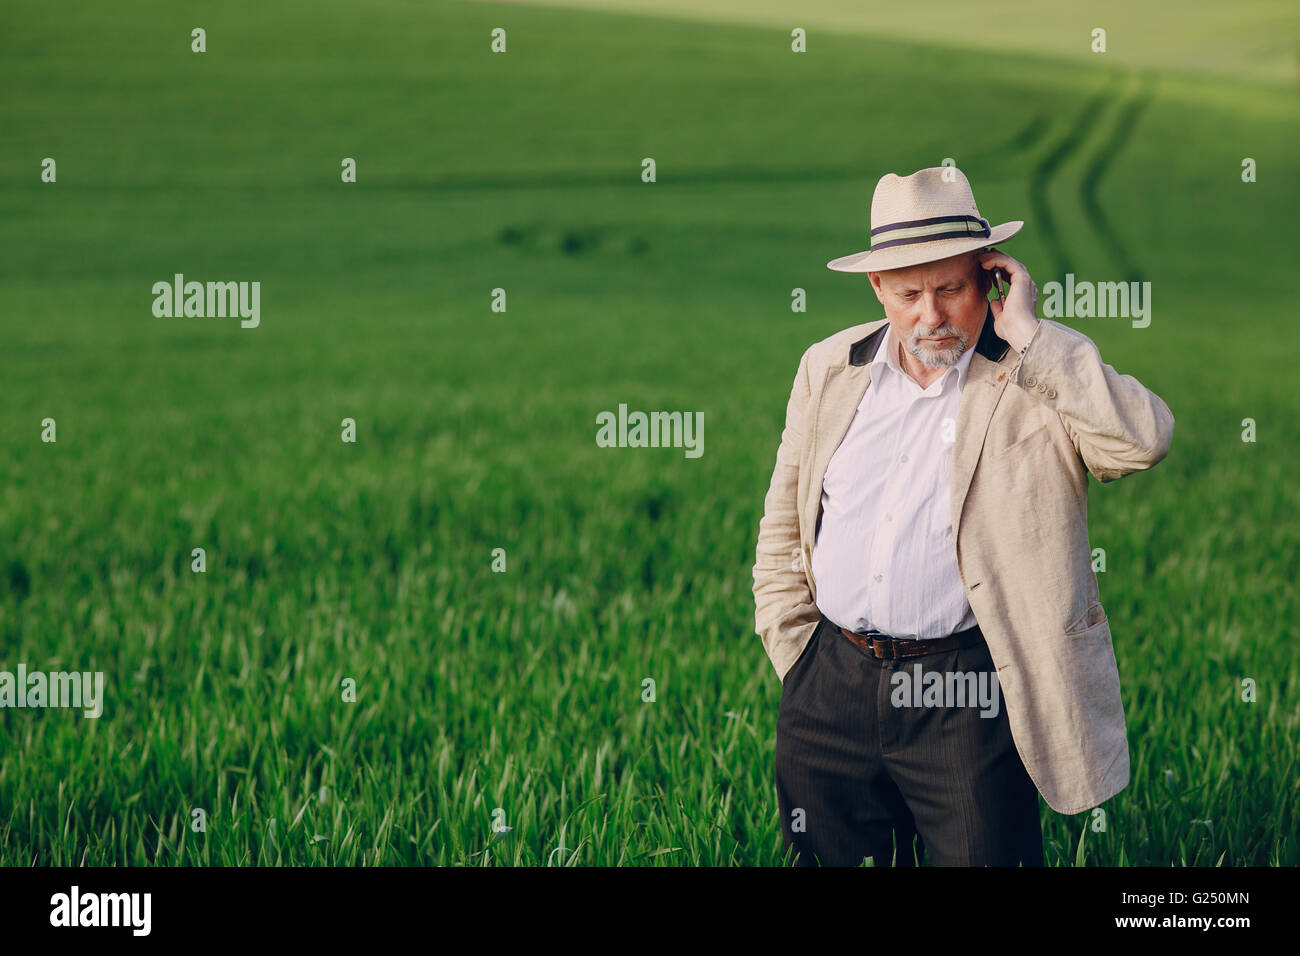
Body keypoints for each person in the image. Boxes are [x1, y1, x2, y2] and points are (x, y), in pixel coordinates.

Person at [752, 166, 1175, 866]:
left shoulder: (1031, 373)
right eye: (910, 293)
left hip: (968, 690)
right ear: (877, 288)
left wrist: (1035, 336)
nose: (932, 315)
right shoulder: (829, 368)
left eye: (951, 288)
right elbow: (783, 521)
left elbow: (1142, 441)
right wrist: (797, 656)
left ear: (990, 279)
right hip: (830, 686)